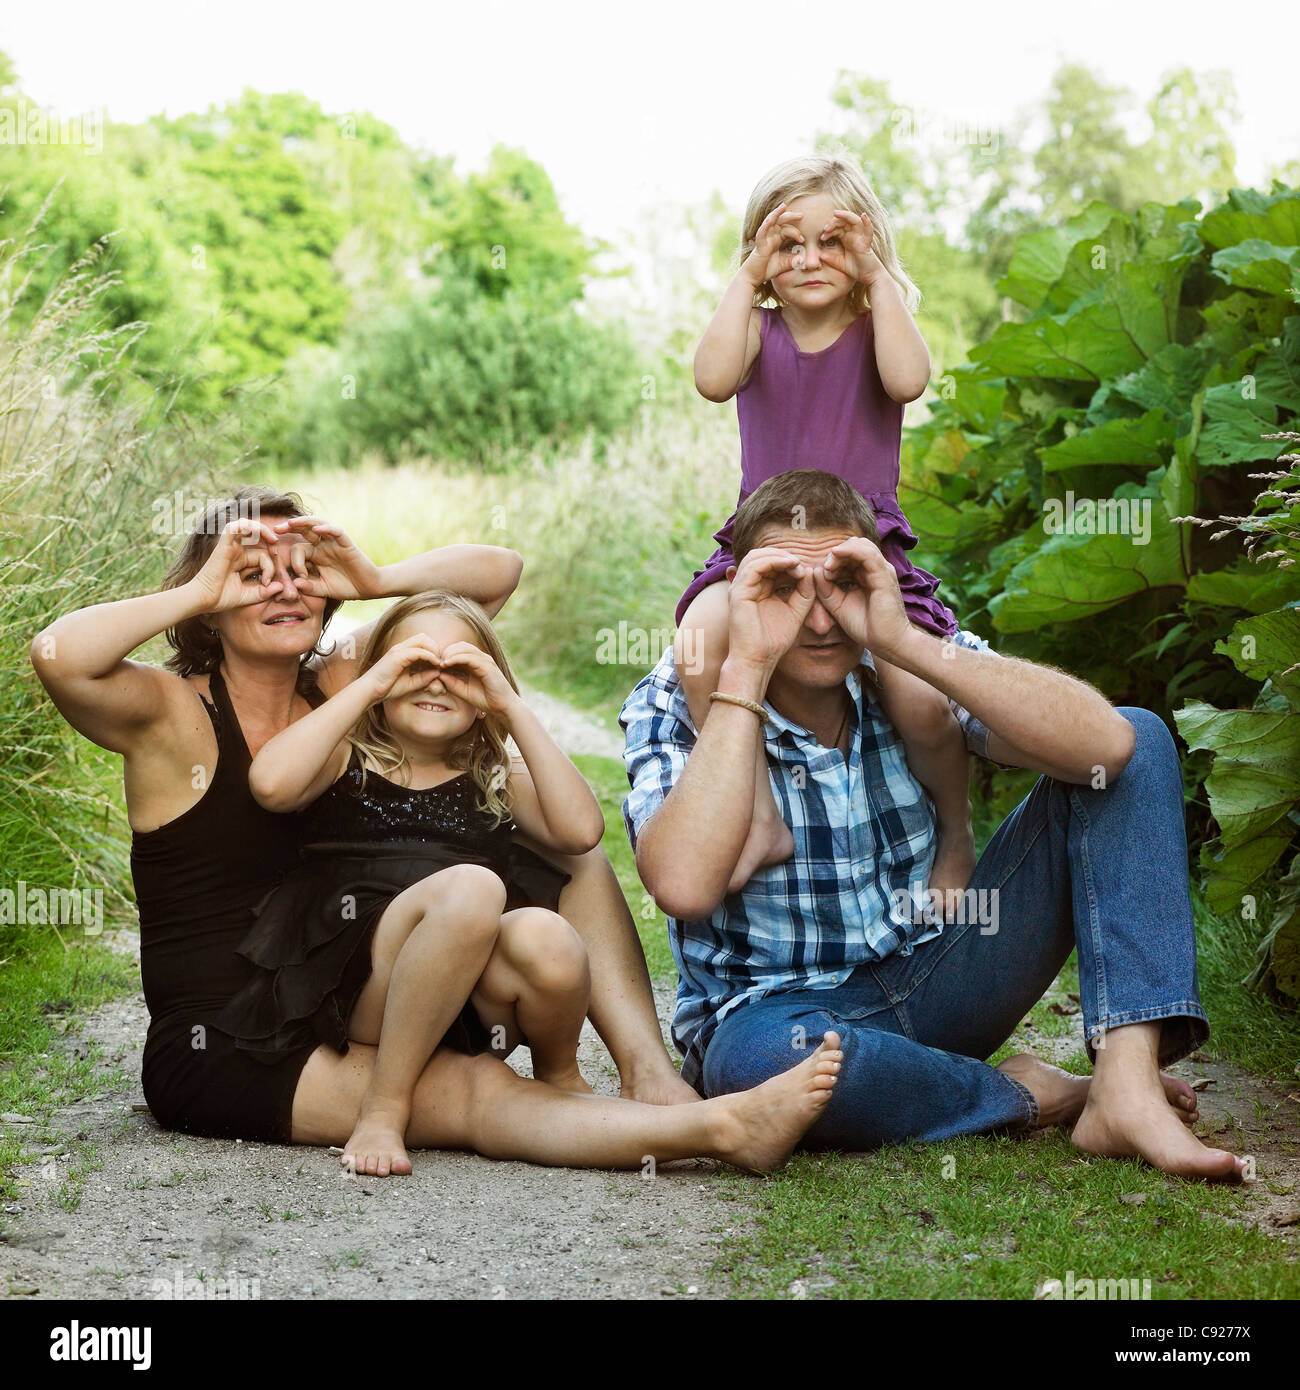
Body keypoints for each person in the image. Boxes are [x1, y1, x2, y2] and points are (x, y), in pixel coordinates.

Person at [31, 486, 837, 1171]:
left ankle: (647, 1069)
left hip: (347, 988)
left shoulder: (339, 680)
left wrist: (376, 577)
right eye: (251, 577)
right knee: (471, 1096)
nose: (280, 592)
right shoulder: (171, 711)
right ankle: (722, 1128)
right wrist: (203, 588)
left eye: (301, 575)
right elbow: (60, 654)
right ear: (211, 595)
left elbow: (494, 576)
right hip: (230, 1035)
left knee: (562, 852)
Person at [623, 468, 1247, 1181]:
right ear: (741, 593)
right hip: (777, 1016)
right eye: (788, 589)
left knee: (1138, 740)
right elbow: (681, 884)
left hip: (942, 974)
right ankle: (1033, 1095)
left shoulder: (908, 660)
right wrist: (749, 666)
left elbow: (1105, 748)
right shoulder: (684, 692)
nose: (822, 621)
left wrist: (902, 640)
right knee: (767, 1068)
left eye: (844, 584)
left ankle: (1124, 1084)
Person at [227, 588, 608, 1176]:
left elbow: (581, 830)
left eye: (460, 669)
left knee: (546, 935)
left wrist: (511, 708)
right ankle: (384, 1106)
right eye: (413, 665)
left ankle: (560, 1074)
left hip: (466, 994)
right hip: (360, 982)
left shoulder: (492, 775)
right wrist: (370, 684)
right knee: (474, 888)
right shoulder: (346, 757)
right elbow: (271, 785)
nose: (435, 682)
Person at [677, 154, 973, 901]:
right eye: (788, 244)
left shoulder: (880, 326)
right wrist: (745, 283)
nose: (810, 259)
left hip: (865, 556)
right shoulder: (755, 333)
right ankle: (759, 810)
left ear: (867, 245)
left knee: (921, 701)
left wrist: (877, 279)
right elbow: (710, 380)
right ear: (759, 253)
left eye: (833, 241)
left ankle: (956, 827)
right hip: (759, 551)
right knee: (700, 642)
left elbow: (909, 382)